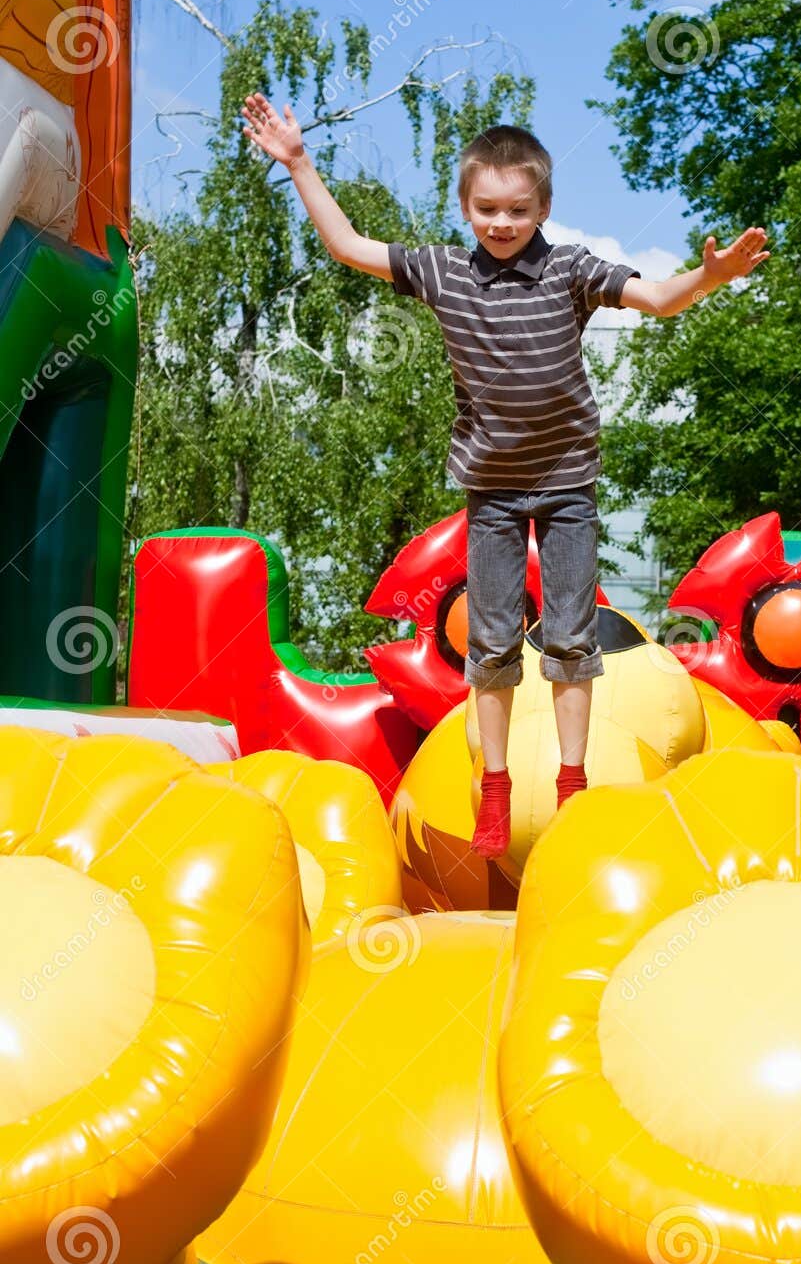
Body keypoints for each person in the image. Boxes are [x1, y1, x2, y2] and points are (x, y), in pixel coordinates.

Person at [241, 97, 770, 856]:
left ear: (543, 206)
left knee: (570, 638)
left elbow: (656, 299)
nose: (500, 221)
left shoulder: (568, 270)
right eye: (486, 208)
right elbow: (350, 246)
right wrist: (297, 163)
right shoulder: (443, 271)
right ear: (464, 206)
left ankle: (571, 781)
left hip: (566, 487)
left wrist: (708, 277)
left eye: (516, 209)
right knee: (489, 646)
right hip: (489, 490)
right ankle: (495, 786)